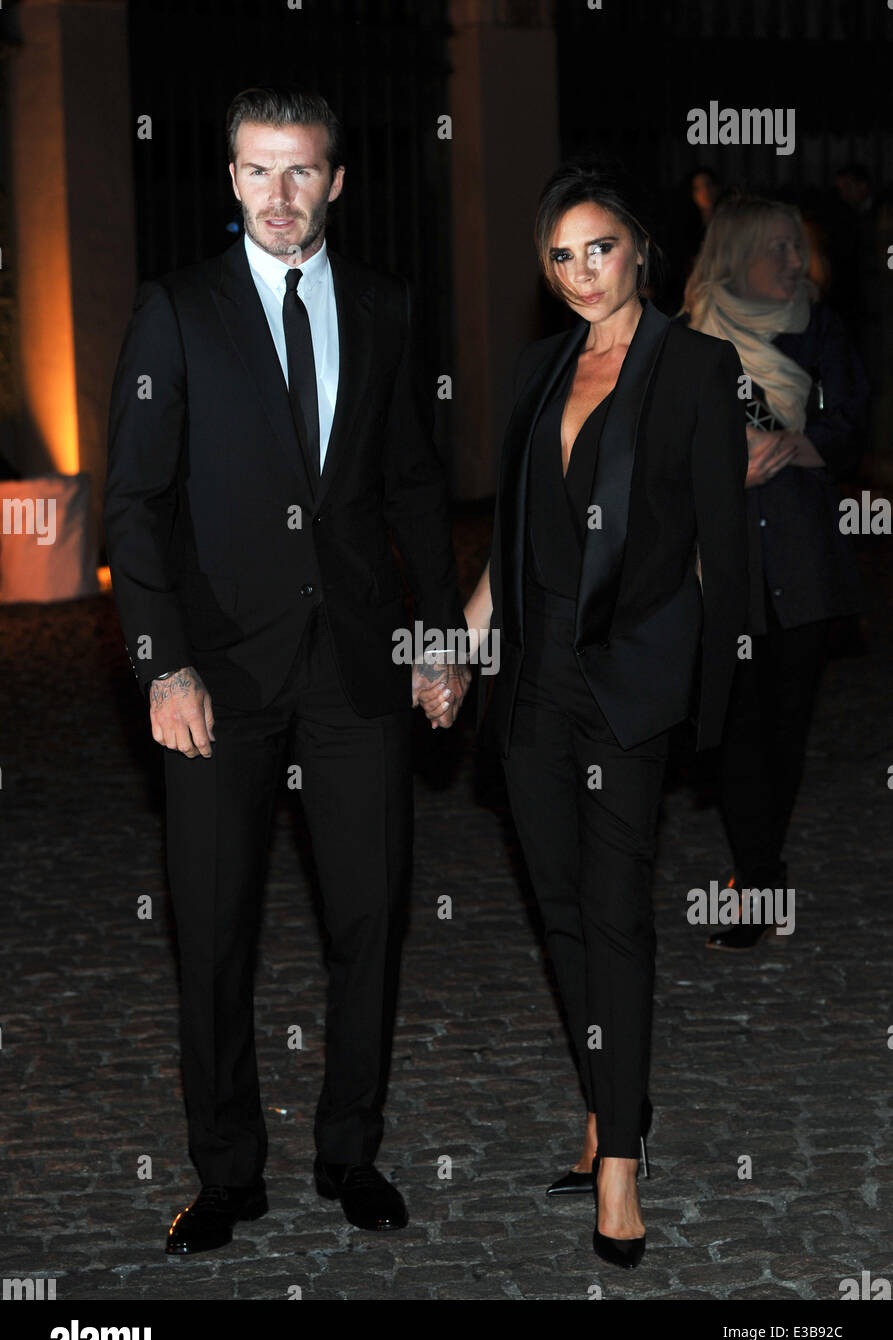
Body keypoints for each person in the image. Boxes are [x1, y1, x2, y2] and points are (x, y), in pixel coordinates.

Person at [104, 87, 470, 1254]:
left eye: (301, 171)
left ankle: (349, 1151)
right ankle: (226, 1172)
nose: (279, 195)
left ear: (336, 180)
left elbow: (411, 481)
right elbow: (133, 507)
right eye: (257, 171)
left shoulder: (383, 305)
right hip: (216, 675)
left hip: (358, 667)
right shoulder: (176, 312)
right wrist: (161, 665)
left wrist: (439, 633)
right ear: (226, 179)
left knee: (370, 920)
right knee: (212, 929)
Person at [435, 157, 748, 1269]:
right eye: (559, 257)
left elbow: (722, 549)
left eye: (596, 248)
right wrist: (457, 648)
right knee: (558, 908)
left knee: (613, 912)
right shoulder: (535, 369)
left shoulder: (698, 371)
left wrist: (716, 706)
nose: (578, 273)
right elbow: (513, 540)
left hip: (628, 685)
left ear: (639, 250)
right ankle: (603, 1098)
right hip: (530, 681)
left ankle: (619, 1160)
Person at [680, 194, 868, 949]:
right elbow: (653, 455)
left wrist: (804, 443)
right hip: (718, 566)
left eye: (799, 248)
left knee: (782, 729)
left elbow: (852, 417)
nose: (796, 263)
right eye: (779, 249)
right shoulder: (683, 340)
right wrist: (724, 472)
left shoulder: (818, 329)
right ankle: (754, 868)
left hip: (798, 558)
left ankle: (756, 880)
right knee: (730, 728)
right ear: (734, 255)